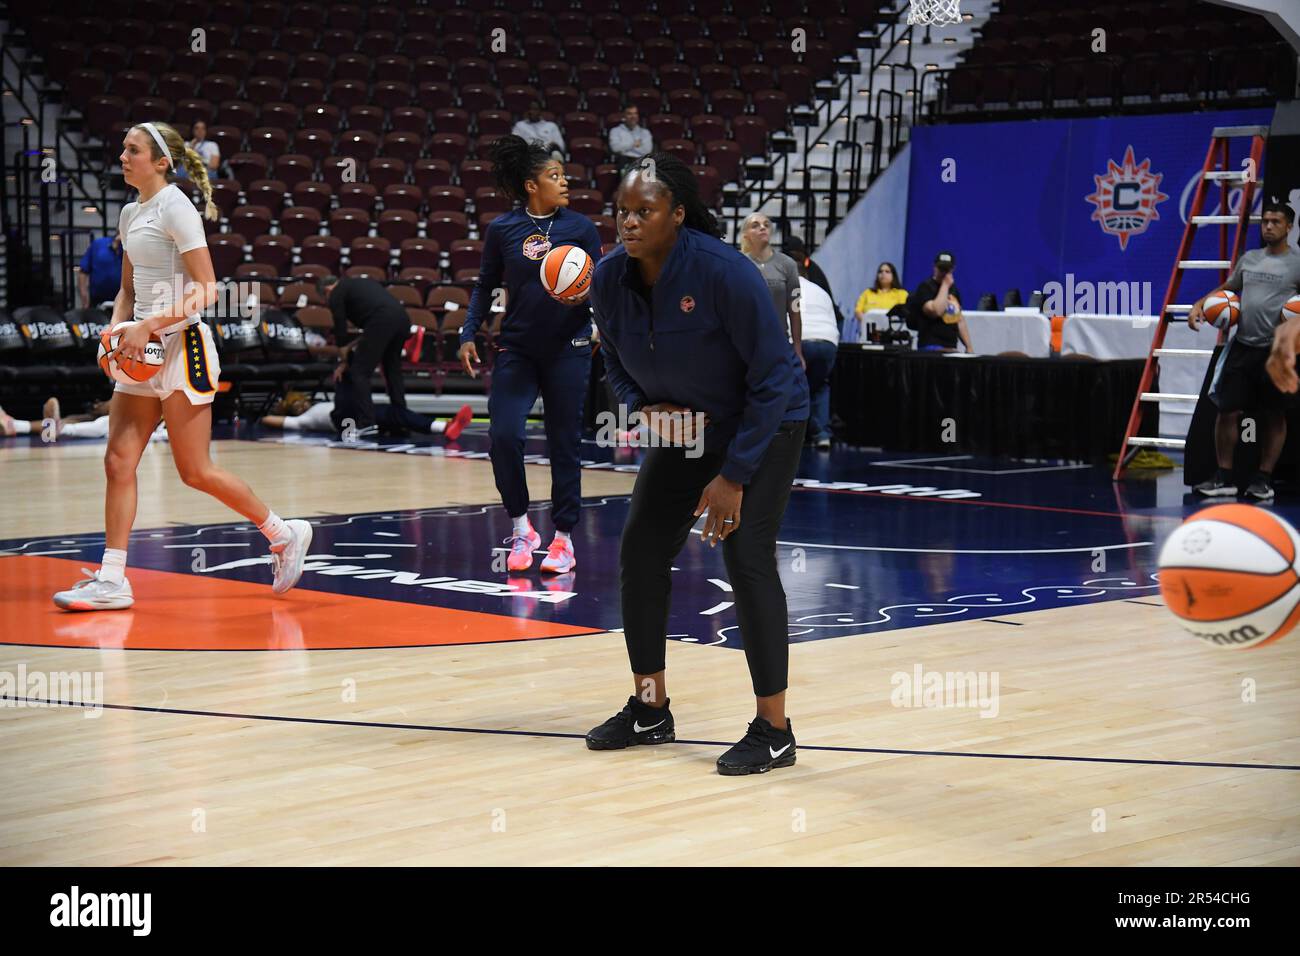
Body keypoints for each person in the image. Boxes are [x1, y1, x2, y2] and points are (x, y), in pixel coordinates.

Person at [585, 152, 810, 775]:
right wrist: (639, 406)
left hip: (767, 422)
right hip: (688, 424)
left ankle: (774, 729)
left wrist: (734, 476)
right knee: (641, 549)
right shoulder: (608, 280)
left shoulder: (726, 274)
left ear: (677, 215)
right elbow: (615, 364)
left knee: (746, 556)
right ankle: (650, 709)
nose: (629, 224)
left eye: (644, 212)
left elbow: (772, 379)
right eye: (622, 213)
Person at [52, 121, 312, 612]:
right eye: (123, 149)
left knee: (194, 470)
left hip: (180, 348)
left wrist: (150, 326)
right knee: (117, 461)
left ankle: (283, 532)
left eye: (133, 150)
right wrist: (114, 331)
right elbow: (128, 290)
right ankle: (112, 579)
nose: (122, 157)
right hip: (139, 347)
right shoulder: (130, 213)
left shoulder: (177, 207)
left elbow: (208, 289)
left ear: (161, 162)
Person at [456, 134, 603, 573]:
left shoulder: (581, 227)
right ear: (530, 185)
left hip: (569, 347)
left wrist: (594, 319)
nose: (565, 182)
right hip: (517, 346)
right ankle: (522, 529)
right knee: (503, 435)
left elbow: (600, 282)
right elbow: (484, 285)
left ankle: (563, 539)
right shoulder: (502, 229)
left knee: (564, 443)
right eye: (554, 176)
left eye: (564, 175)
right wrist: (468, 331)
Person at [1191, 199, 1300, 500]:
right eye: (1265, 221)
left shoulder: (1297, 264)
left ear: (1289, 227)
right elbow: (1227, 289)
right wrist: (1201, 304)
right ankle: (1224, 477)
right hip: (1242, 346)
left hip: (1275, 353)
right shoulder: (1249, 259)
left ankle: (1263, 480)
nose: (1268, 226)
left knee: (1274, 415)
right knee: (1226, 411)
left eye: (1276, 222)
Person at [318, 275, 414, 438]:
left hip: (381, 321)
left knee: (359, 372)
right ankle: (401, 421)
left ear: (327, 291)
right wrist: (348, 349)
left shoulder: (336, 293)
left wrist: (343, 358)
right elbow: (370, 330)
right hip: (402, 319)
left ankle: (366, 423)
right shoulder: (358, 284)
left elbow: (340, 326)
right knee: (393, 372)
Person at [261, 390, 472, 440]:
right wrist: (262, 415)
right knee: (393, 413)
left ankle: (442, 426)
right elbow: (269, 420)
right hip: (346, 420)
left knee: (394, 416)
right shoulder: (303, 420)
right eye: (294, 404)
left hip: (351, 413)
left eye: (300, 399)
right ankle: (443, 427)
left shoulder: (316, 406)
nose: (300, 404)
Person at [740, 212, 804, 369]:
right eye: (755, 225)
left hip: (779, 343)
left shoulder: (788, 264)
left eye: (766, 224)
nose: (762, 227)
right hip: (748, 344)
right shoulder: (738, 264)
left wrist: (797, 348)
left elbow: (795, 309)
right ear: (746, 235)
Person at [797, 259, 840, 450]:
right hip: (828, 341)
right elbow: (836, 319)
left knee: (791, 387)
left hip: (801, 340)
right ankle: (822, 435)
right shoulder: (820, 290)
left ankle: (788, 436)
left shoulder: (785, 289)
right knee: (820, 386)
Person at [0, 397, 168, 442]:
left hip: (133, 429)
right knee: (86, 419)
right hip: (138, 421)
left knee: (99, 423)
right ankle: (15, 425)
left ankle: (16, 425)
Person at [906, 250, 973, 353]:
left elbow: (959, 319)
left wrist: (968, 346)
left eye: (947, 269)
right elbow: (936, 311)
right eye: (941, 269)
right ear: (935, 267)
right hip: (930, 345)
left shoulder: (954, 290)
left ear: (953, 269)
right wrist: (945, 285)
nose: (943, 272)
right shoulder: (925, 287)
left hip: (950, 345)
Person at [77, 230, 124, 309]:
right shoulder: (98, 244)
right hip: (97, 302)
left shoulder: (133, 249)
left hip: (125, 302)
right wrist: (84, 294)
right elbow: (83, 271)